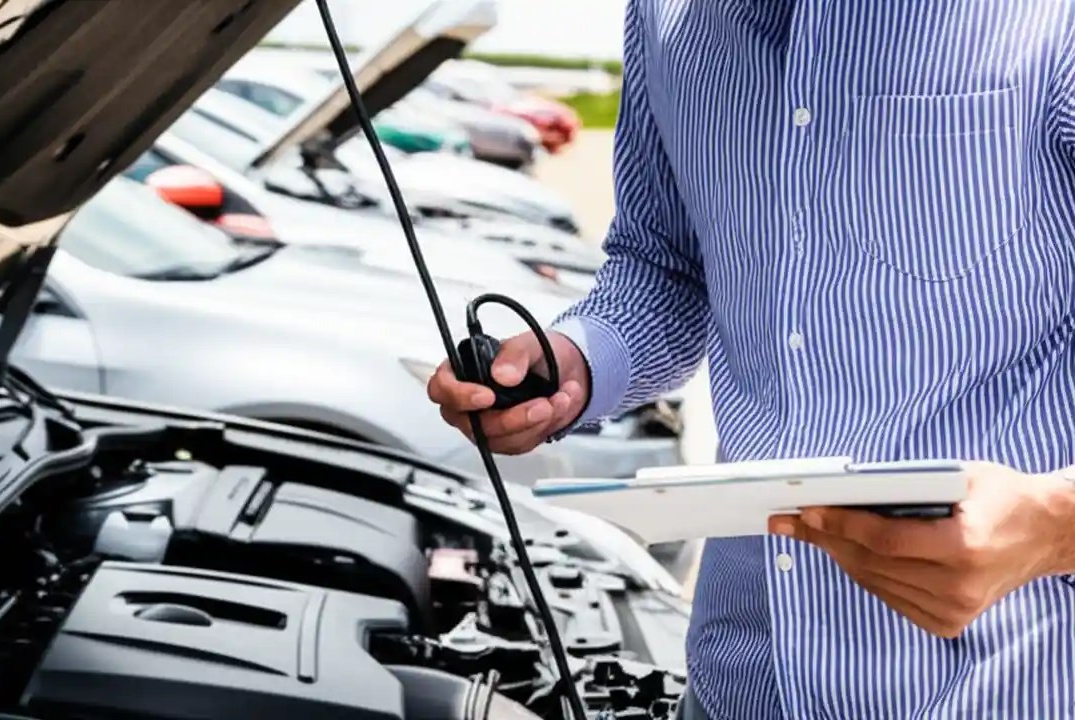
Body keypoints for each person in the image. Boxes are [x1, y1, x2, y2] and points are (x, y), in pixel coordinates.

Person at [426, 1, 1075, 718]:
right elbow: (661, 263)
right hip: (736, 683)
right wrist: (578, 365)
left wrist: (1052, 529)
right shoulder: (665, 15)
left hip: (1006, 683)